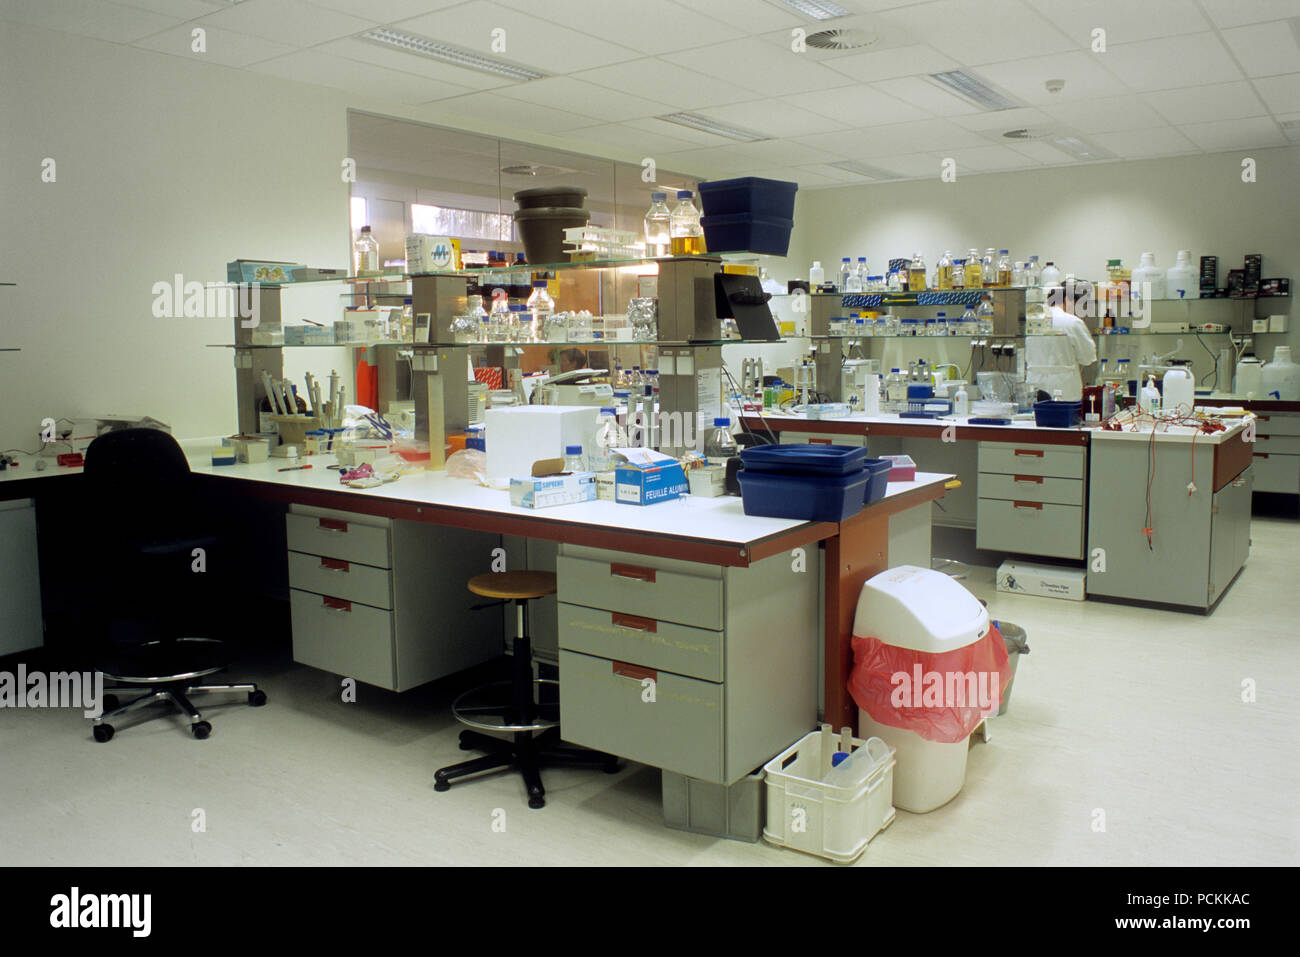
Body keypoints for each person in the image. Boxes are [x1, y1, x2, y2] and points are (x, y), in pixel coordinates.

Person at [1027, 279, 1098, 402]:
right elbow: (1088, 358)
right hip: (1065, 388)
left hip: (1034, 385)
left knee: (1035, 418)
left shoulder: (1031, 321)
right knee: (1064, 418)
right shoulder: (1072, 322)